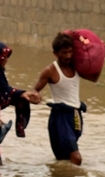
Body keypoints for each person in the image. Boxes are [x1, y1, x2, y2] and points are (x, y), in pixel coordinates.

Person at [34, 32, 86, 165]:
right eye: (64, 52)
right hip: (60, 118)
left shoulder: (76, 65)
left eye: (70, 52)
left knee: (64, 158)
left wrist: (102, 50)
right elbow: (35, 89)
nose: (68, 56)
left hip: (75, 115)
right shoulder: (50, 71)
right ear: (55, 53)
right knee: (76, 157)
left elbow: (94, 75)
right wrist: (35, 96)